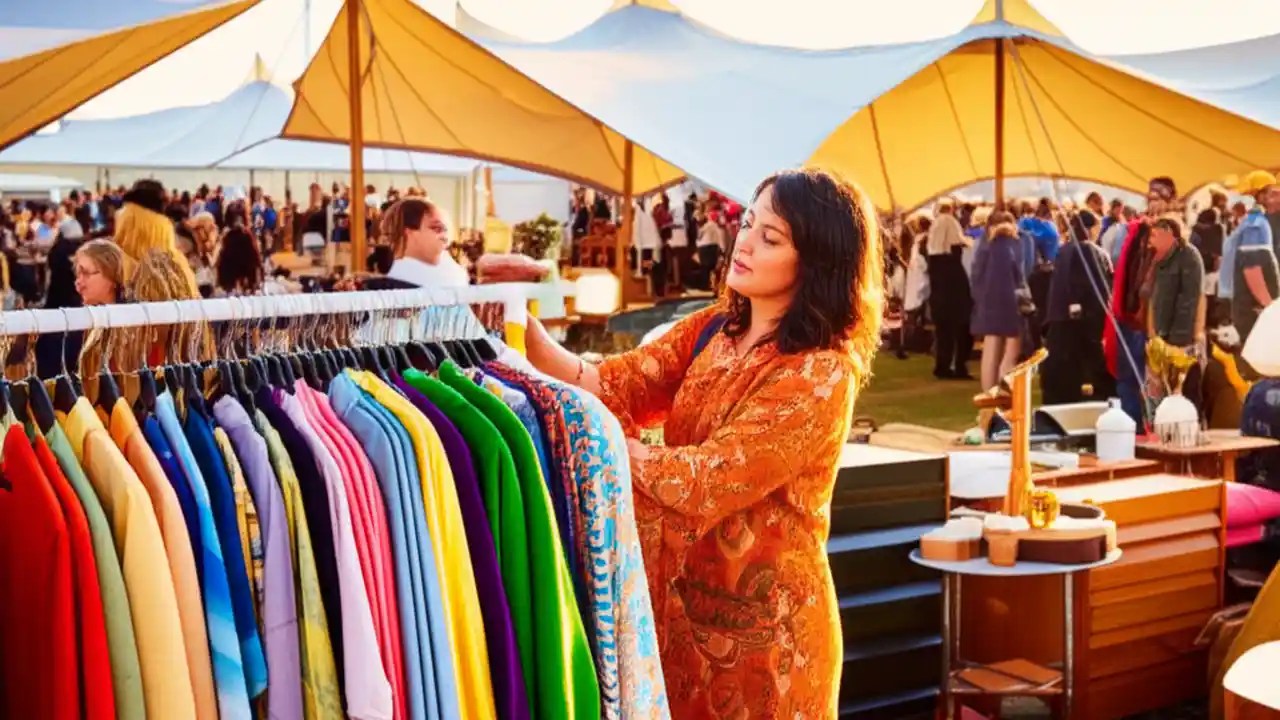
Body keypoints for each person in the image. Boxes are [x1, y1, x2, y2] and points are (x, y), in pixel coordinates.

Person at [523, 168, 884, 717]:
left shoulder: (820, 373)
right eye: (748, 223)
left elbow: (708, 479)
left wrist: (603, 446)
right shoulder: (714, 329)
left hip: (770, 648)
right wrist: (513, 321)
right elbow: (609, 383)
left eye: (772, 237)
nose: (745, 242)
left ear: (816, 262)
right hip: (679, 620)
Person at [363, 197, 468, 289]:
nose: (444, 235)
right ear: (408, 233)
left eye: (444, 229)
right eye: (436, 228)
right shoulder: (407, 272)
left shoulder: (446, 267)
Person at [970, 214, 1025, 391]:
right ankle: (1004, 391)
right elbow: (1024, 273)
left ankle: (988, 394)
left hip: (988, 302)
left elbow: (975, 275)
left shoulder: (984, 245)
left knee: (990, 349)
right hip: (1012, 302)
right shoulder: (1017, 244)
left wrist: (980, 298)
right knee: (1011, 351)